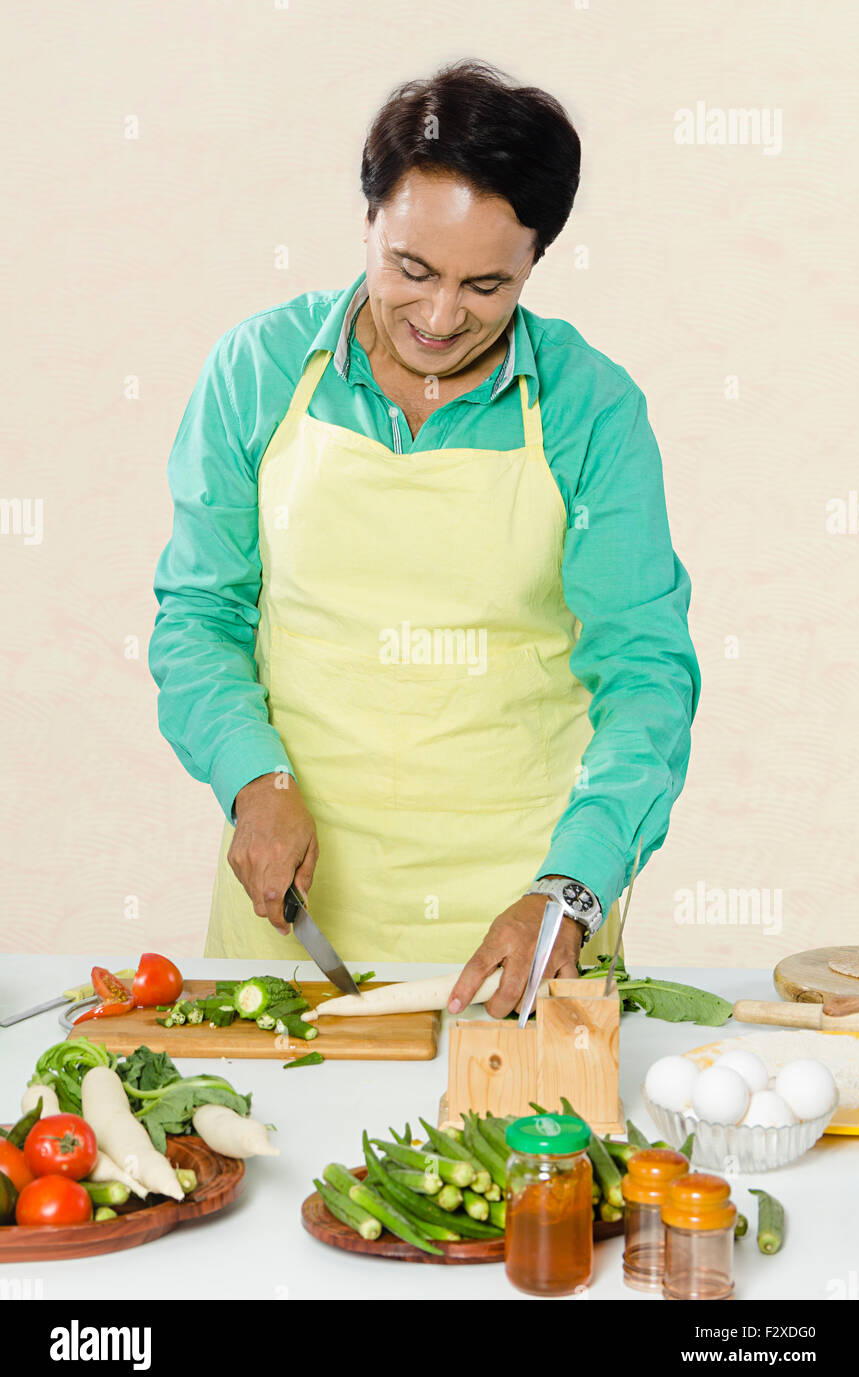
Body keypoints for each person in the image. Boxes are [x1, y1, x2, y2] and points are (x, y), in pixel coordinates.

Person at [149, 59, 701, 1019]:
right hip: (292, 925)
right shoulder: (258, 372)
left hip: (529, 927)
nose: (440, 319)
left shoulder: (591, 408)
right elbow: (200, 613)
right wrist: (251, 775)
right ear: (368, 220)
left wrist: (570, 888)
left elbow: (648, 676)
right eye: (412, 270)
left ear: (536, 263)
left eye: (486, 286)